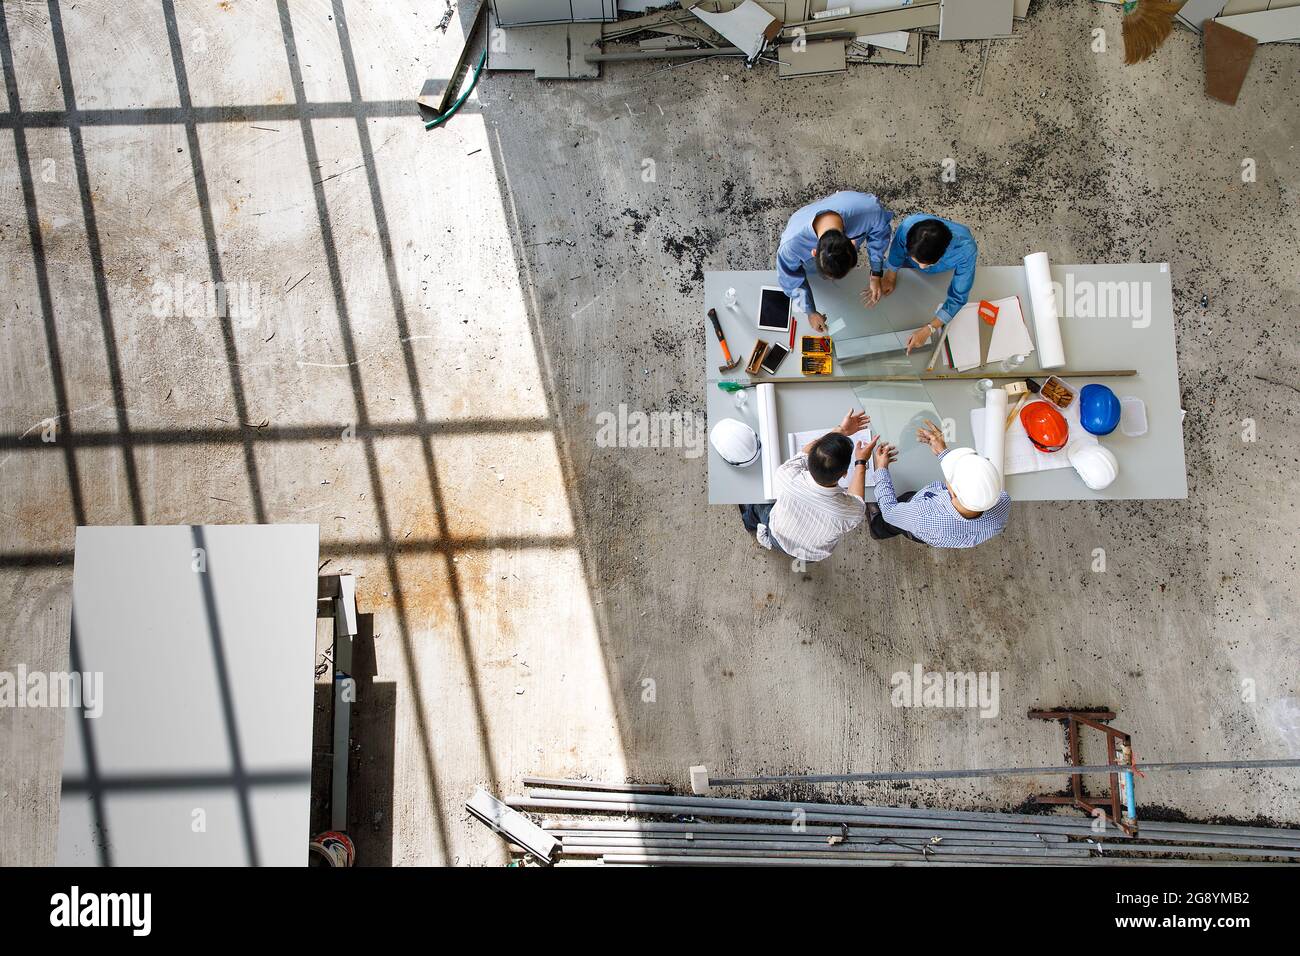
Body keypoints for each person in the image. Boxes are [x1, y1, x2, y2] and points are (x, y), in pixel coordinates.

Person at [740, 408, 880, 562]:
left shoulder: (787, 474)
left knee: (759, 506)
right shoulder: (849, 513)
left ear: (808, 461)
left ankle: (749, 523)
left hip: (778, 536)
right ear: (845, 473)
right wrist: (861, 461)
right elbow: (857, 499)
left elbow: (807, 450)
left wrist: (840, 431)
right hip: (810, 555)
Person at [868, 420, 1010, 549]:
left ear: (952, 493)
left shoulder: (924, 516)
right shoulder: (1001, 501)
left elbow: (890, 512)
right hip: (937, 529)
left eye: (950, 476)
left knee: (890, 523)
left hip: (916, 524)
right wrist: (943, 452)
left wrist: (881, 468)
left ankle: (877, 529)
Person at [776, 191, 894, 334]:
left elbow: (879, 236)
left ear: (852, 242)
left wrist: (876, 274)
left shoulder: (871, 211)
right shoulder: (791, 246)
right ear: (813, 252)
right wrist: (810, 311)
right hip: (802, 220)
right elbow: (789, 279)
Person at [880, 214, 978, 353]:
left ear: (943, 252)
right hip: (905, 266)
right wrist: (890, 276)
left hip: (936, 277)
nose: (921, 268)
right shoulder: (908, 226)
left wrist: (930, 329)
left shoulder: (966, 250)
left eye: (927, 263)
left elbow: (958, 297)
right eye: (917, 261)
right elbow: (897, 251)